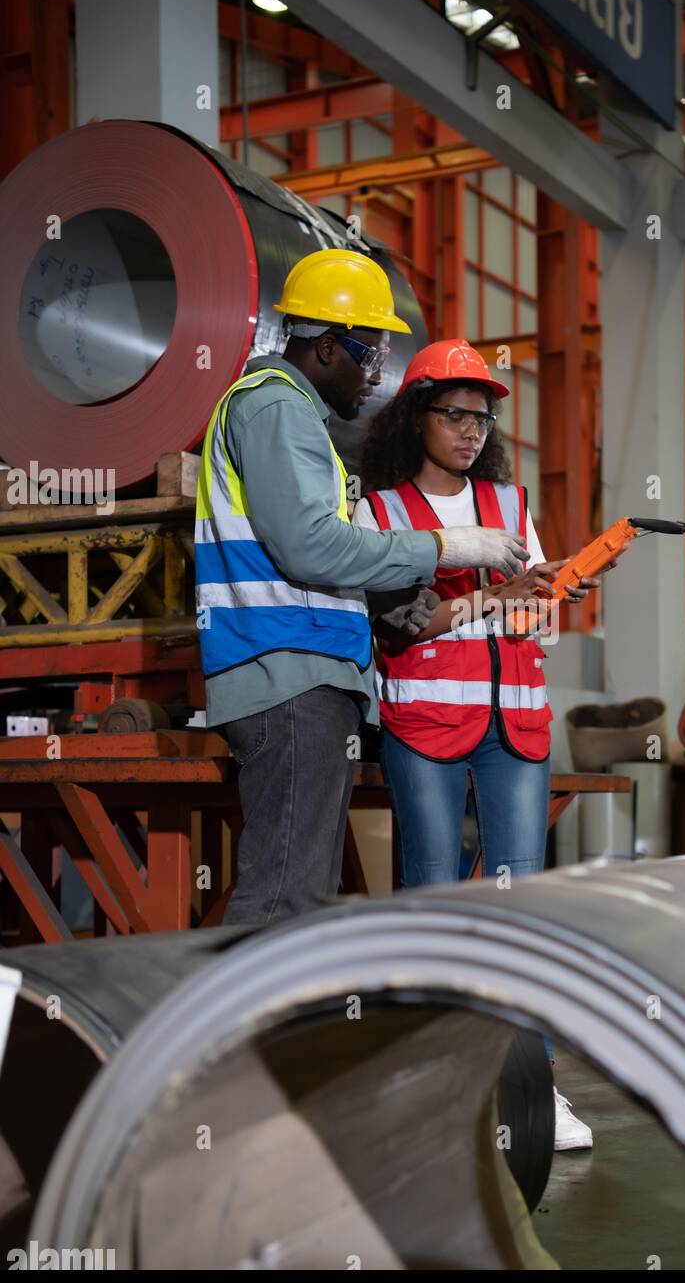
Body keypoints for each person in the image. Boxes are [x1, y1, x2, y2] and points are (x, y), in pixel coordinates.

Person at [195, 253, 530, 926]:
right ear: (325, 346)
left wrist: (400, 603)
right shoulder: (274, 408)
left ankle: (266, 1027)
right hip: (286, 671)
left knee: (299, 890)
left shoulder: (293, 418)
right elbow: (309, 547)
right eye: (369, 351)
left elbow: (311, 558)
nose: (377, 372)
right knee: (283, 897)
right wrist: (447, 546)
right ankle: (244, 1030)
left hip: (302, 673)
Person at [352, 338, 597, 1150]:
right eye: (454, 414)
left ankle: (532, 1090)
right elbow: (396, 619)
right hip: (424, 724)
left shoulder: (512, 506)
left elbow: (532, 622)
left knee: (517, 901)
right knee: (432, 895)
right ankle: (438, 1089)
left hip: (515, 720)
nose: (470, 432)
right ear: (415, 416)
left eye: (482, 418)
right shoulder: (378, 512)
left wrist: (545, 593)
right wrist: (495, 594)